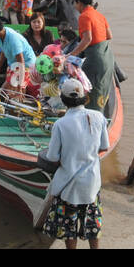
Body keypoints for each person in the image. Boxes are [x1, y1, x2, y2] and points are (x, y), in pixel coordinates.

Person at [41, 78, 109, 249]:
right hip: (91, 184)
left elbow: (52, 157)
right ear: (84, 97)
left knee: (68, 228)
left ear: (63, 100)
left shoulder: (60, 124)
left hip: (68, 187)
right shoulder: (99, 117)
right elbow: (104, 147)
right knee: (93, 226)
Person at [68, 0, 116, 120]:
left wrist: (71, 55)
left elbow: (87, 39)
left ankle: (90, 121)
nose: (75, 6)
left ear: (79, 3)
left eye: (75, 3)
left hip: (96, 59)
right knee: (101, 90)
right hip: (107, 57)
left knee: (90, 91)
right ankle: (100, 119)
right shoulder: (99, 15)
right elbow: (109, 36)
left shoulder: (84, 16)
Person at [0, 14, 37, 95]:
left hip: (26, 66)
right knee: (4, 91)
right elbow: (4, 52)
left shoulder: (13, 40)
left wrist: (20, 83)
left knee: (13, 92)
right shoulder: (1, 36)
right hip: (14, 65)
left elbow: (21, 62)